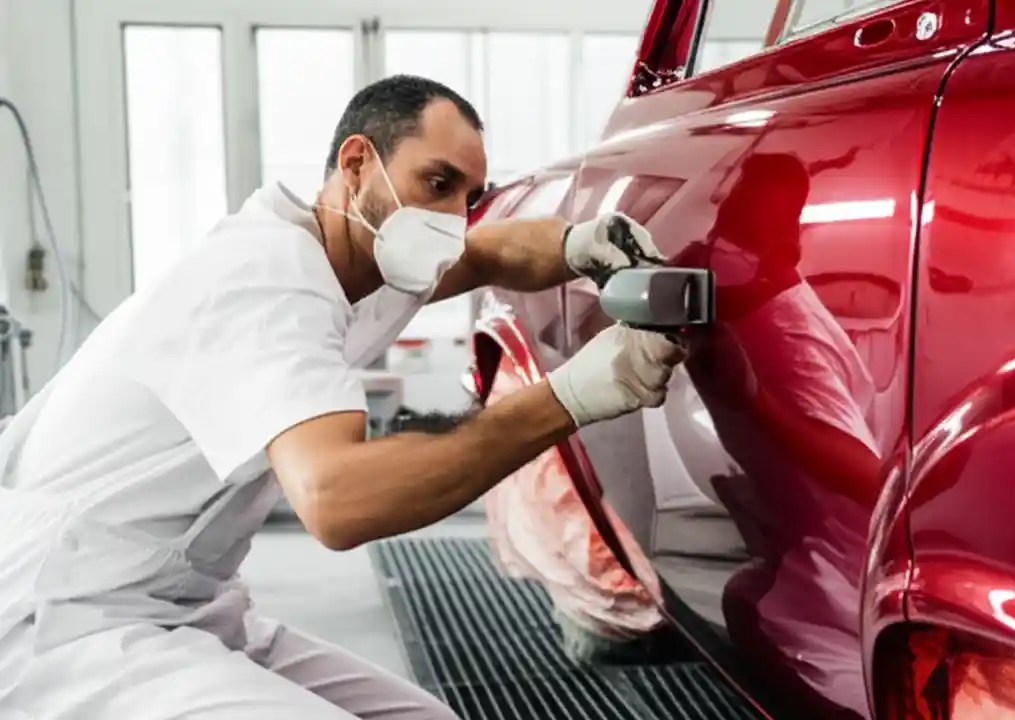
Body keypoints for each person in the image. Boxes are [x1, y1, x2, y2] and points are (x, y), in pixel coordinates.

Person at [0, 75, 684, 719]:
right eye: (437, 183)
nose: (452, 217)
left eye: (469, 197)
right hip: (62, 615)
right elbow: (337, 500)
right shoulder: (267, 281)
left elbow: (484, 252)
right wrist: (573, 396)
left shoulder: (363, 260)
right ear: (357, 163)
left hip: (185, 600)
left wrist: (580, 243)